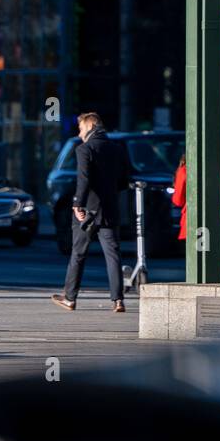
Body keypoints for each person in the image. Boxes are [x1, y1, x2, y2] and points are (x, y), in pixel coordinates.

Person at [51, 111, 130, 314]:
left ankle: (70, 298)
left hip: (87, 211)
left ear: (89, 126)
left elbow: (83, 180)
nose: (79, 133)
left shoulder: (85, 149)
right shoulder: (117, 149)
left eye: (80, 128)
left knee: (78, 253)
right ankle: (118, 300)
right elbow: (124, 180)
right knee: (113, 255)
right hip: (110, 208)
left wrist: (78, 204)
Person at [170, 156, 220, 243]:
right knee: (212, 253)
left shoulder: (184, 171)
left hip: (193, 217)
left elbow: (178, 201)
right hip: (214, 219)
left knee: (196, 253)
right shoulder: (217, 171)